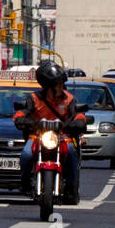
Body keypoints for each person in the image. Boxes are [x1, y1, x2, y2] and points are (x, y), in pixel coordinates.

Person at [14, 61, 87, 203]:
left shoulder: (69, 99)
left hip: (62, 137)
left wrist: (79, 121)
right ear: (48, 86)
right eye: (58, 84)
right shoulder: (34, 99)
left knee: (72, 151)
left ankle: (71, 187)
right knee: (26, 154)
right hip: (38, 136)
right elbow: (20, 114)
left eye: (61, 83)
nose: (61, 87)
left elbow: (78, 114)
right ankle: (25, 183)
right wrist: (23, 120)